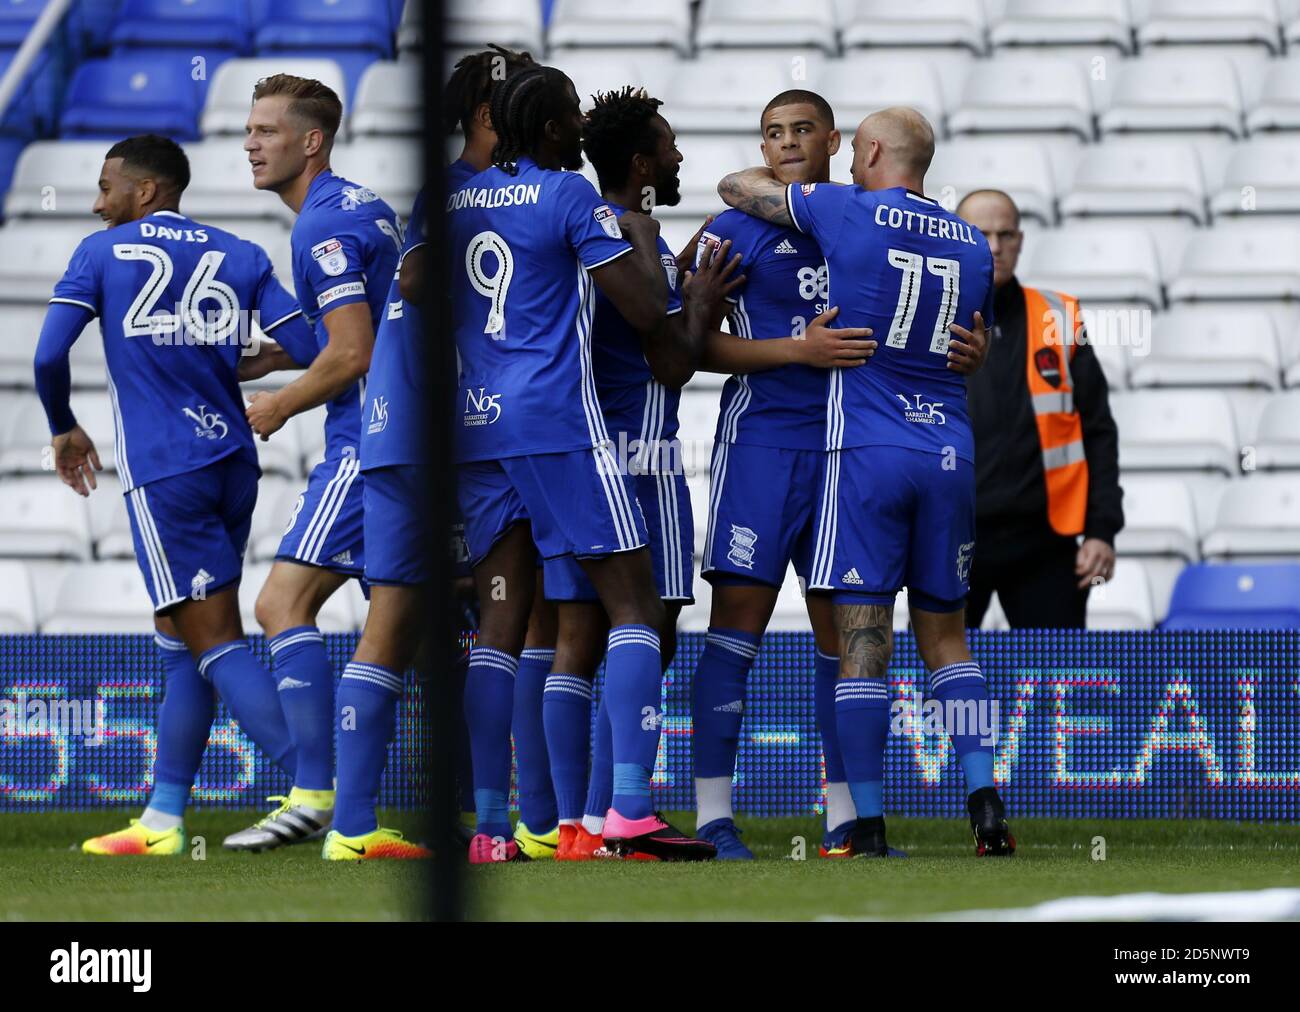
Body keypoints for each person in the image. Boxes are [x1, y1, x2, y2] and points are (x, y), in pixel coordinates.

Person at [691, 90, 985, 859]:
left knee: (844, 641)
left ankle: (845, 819)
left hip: (855, 452)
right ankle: (714, 817)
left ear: (834, 141)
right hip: (765, 446)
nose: (785, 143)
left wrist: (970, 351)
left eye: (800, 131)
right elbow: (684, 344)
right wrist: (796, 351)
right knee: (737, 633)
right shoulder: (734, 230)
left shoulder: (853, 219)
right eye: (770, 133)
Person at [449, 64, 716, 861]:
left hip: (478, 426)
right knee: (635, 609)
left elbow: (417, 281)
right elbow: (642, 312)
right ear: (554, 129)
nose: (579, 127)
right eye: (570, 115)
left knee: (501, 629)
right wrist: (688, 289)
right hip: (559, 422)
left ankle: (494, 829)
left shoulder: (456, 198)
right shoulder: (568, 195)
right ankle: (629, 809)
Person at [34, 135, 319, 856]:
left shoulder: (100, 256)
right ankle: (163, 818)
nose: (98, 204)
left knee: (213, 637)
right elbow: (316, 344)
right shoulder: (243, 253)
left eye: (107, 187)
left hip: (165, 470)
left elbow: (46, 354)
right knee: (179, 637)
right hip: (233, 462)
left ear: (148, 191)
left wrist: (64, 427)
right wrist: (233, 362)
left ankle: (322, 789)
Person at [535, 86, 744, 860]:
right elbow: (670, 361)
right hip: (643, 461)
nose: (679, 154)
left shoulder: (583, 232)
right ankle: (627, 812)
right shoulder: (634, 227)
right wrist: (702, 302)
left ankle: (575, 830)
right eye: (668, 144)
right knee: (645, 635)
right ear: (640, 163)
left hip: (573, 455)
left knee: (575, 644)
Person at [224, 74, 406, 854]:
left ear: (311, 141)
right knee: (407, 627)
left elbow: (355, 352)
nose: (250, 143)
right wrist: (265, 360)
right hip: (408, 437)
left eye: (266, 130)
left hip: (368, 441)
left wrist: (279, 404)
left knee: (279, 605)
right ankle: (363, 820)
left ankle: (311, 793)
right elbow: (352, 330)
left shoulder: (320, 228)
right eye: (248, 129)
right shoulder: (360, 206)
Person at [956, 189, 1123, 629]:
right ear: (956, 238)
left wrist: (1102, 530)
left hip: (1045, 542)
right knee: (942, 683)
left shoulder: (1060, 317)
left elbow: (1098, 430)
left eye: (1005, 234)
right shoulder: (923, 316)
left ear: (1021, 240)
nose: (994, 246)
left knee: (1056, 683)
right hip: (951, 538)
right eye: (980, 234)